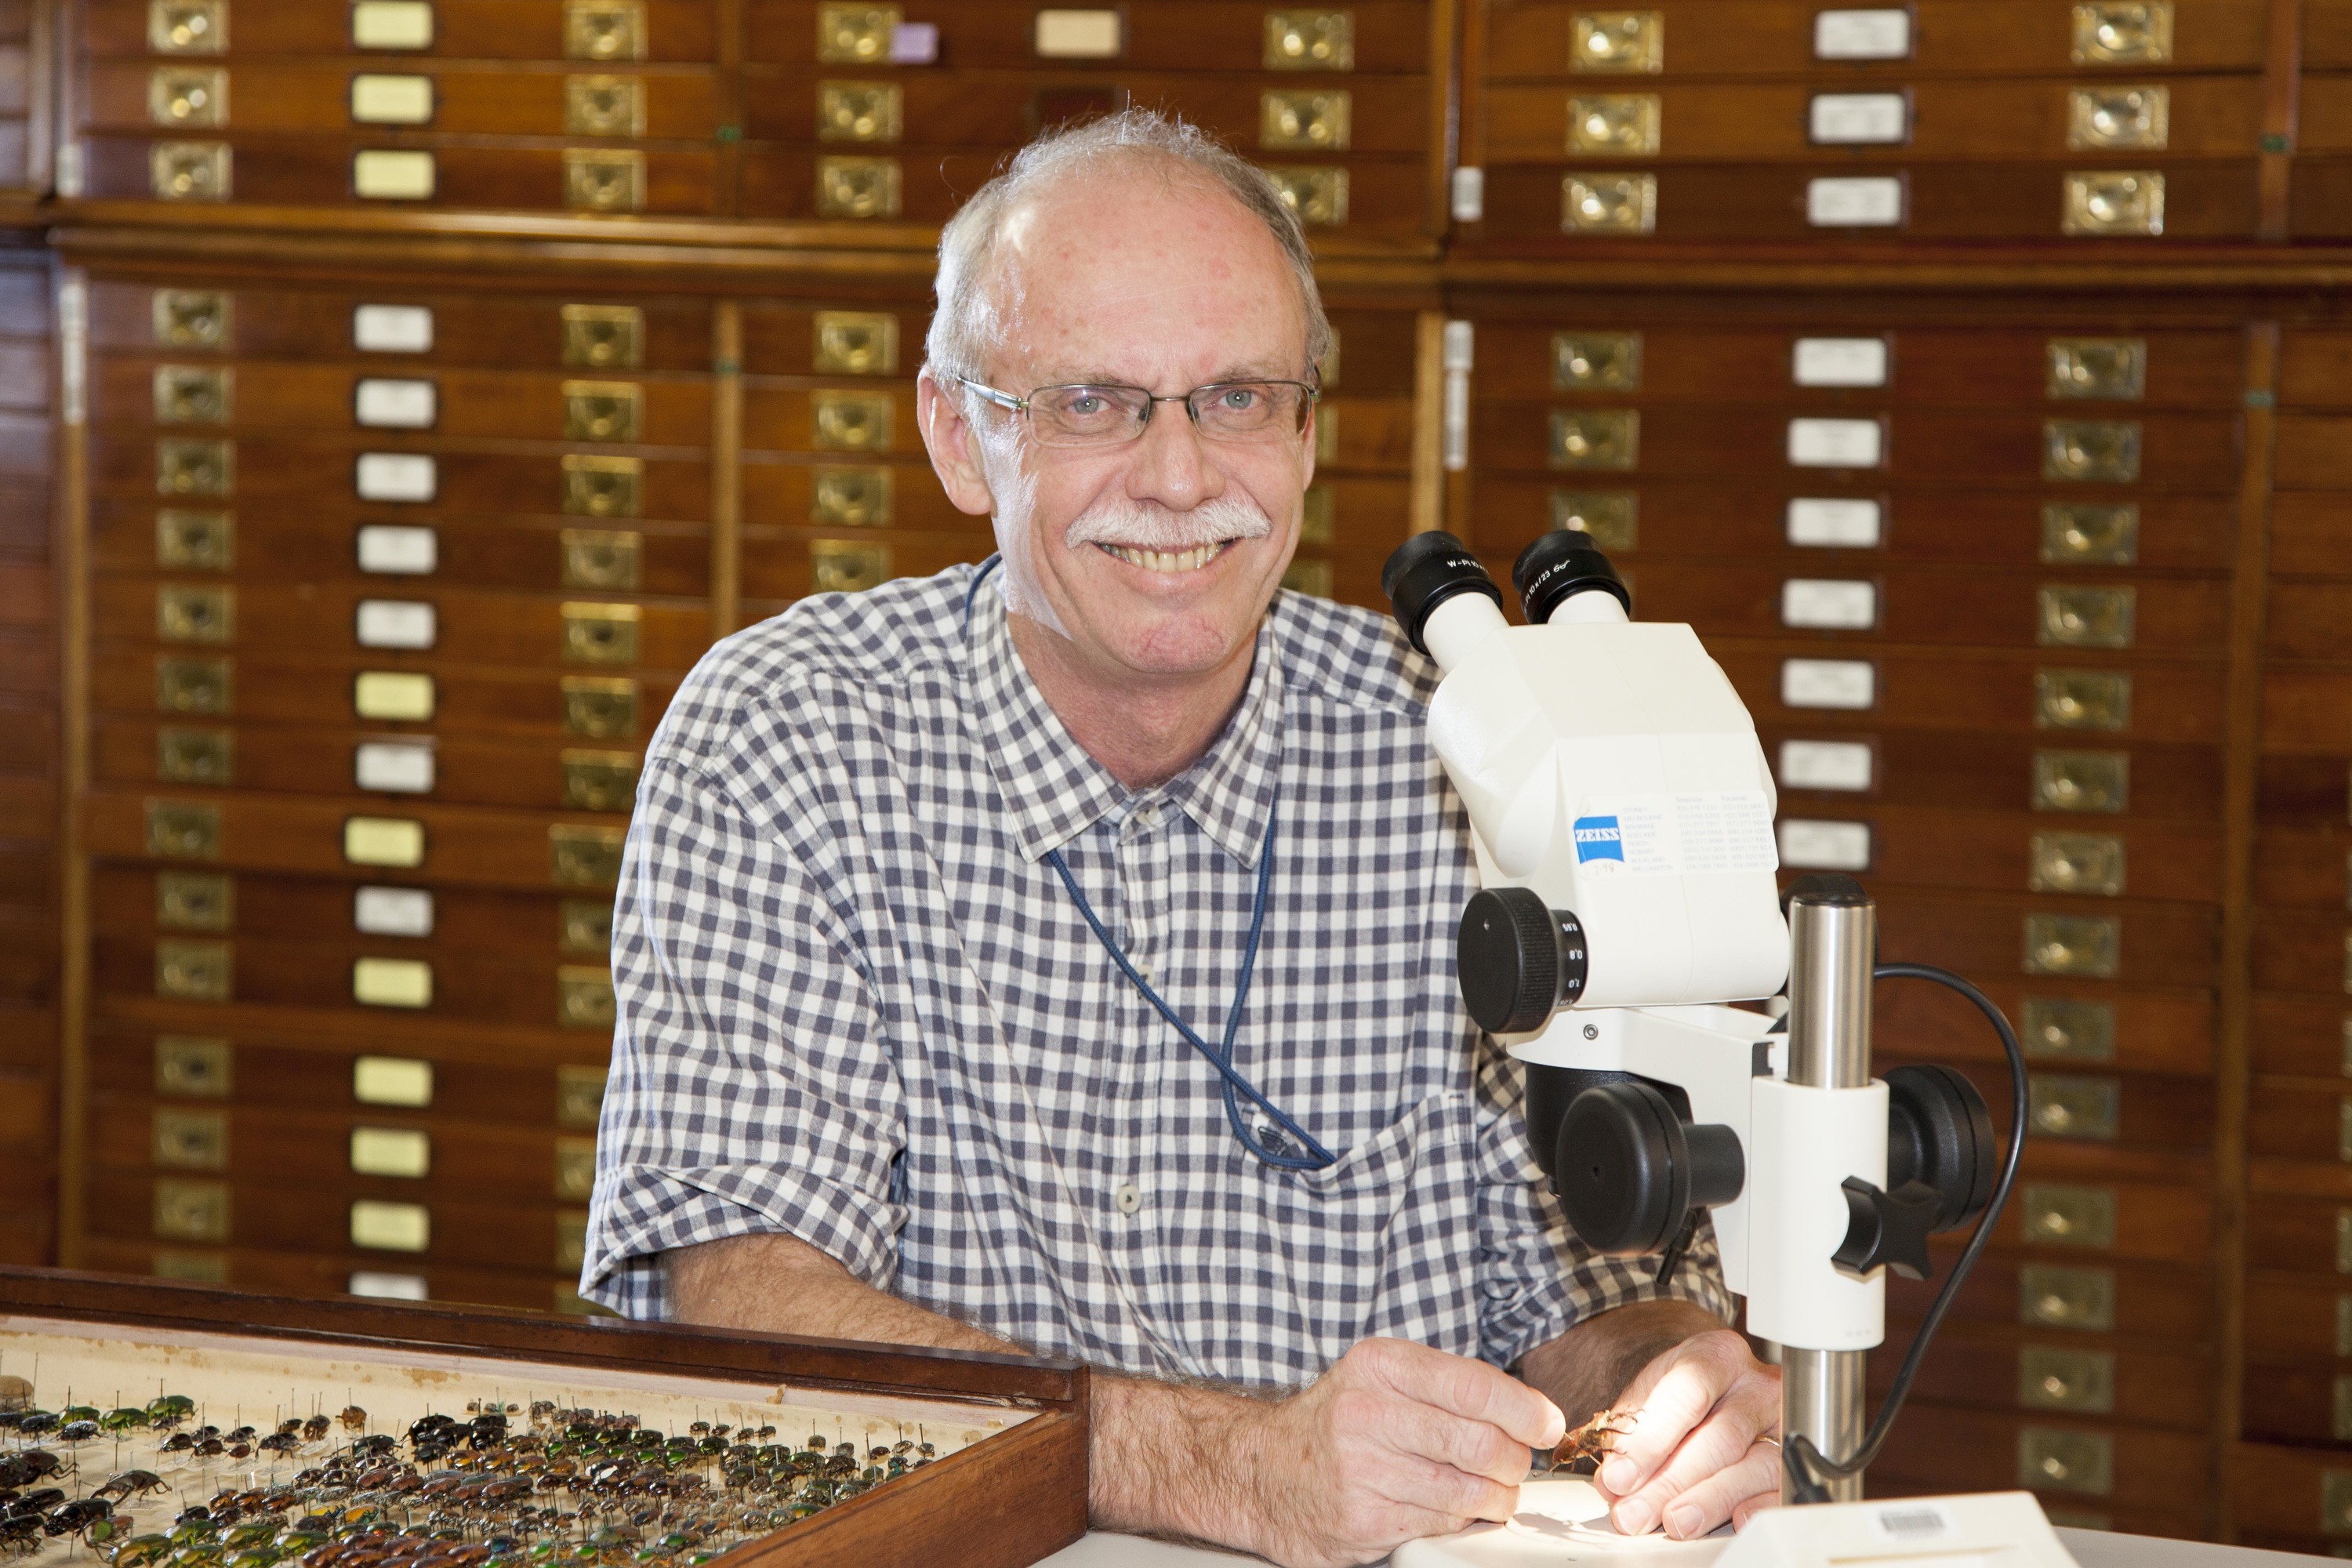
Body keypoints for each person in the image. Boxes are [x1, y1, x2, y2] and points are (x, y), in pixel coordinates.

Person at [580, 109, 1780, 1567]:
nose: (1174, 475)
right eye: (1092, 401)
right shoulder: (790, 736)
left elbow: (1594, 1289)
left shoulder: (1476, 759)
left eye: (1234, 398)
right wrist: (1223, 1463)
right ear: (960, 435)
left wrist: (1668, 1388)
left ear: (1307, 437)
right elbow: (741, 1299)